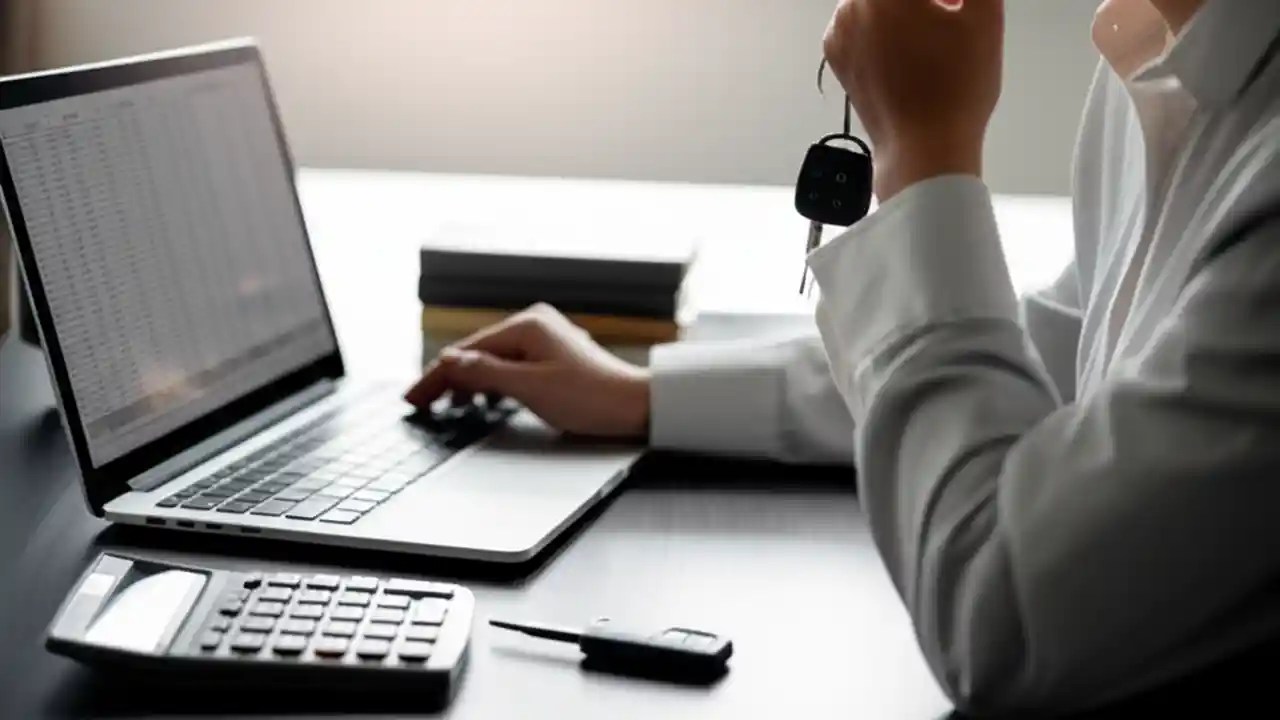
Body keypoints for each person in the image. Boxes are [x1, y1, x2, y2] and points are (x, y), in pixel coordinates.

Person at [406, 0, 1280, 714]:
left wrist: (924, 153)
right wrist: (646, 396)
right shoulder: (1156, 50)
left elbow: (1001, 614)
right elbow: (1058, 369)